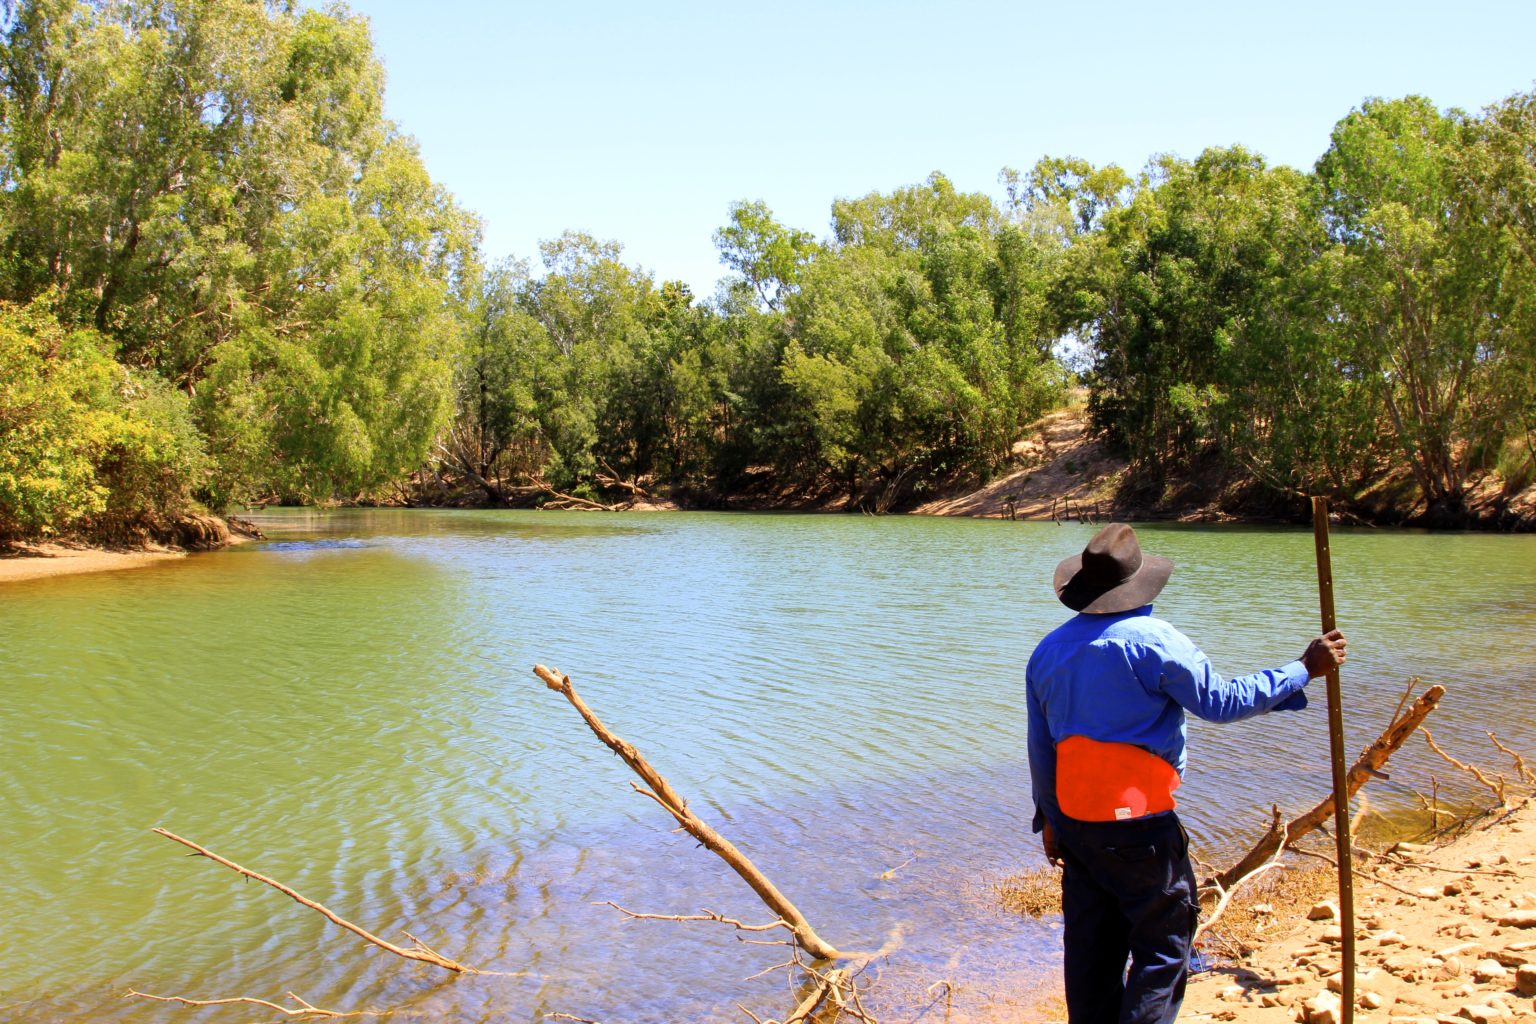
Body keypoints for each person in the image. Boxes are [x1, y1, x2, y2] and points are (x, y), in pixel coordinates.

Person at [1026, 522, 1347, 1024]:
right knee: (1163, 949)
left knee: (1091, 955)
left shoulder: (1048, 651)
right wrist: (1303, 668)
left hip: (1075, 822)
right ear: (1140, 586)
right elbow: (1221, 703)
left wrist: (1049, 820)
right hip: (1140, 826)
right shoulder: (1153, 640)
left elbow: (1041, 748)